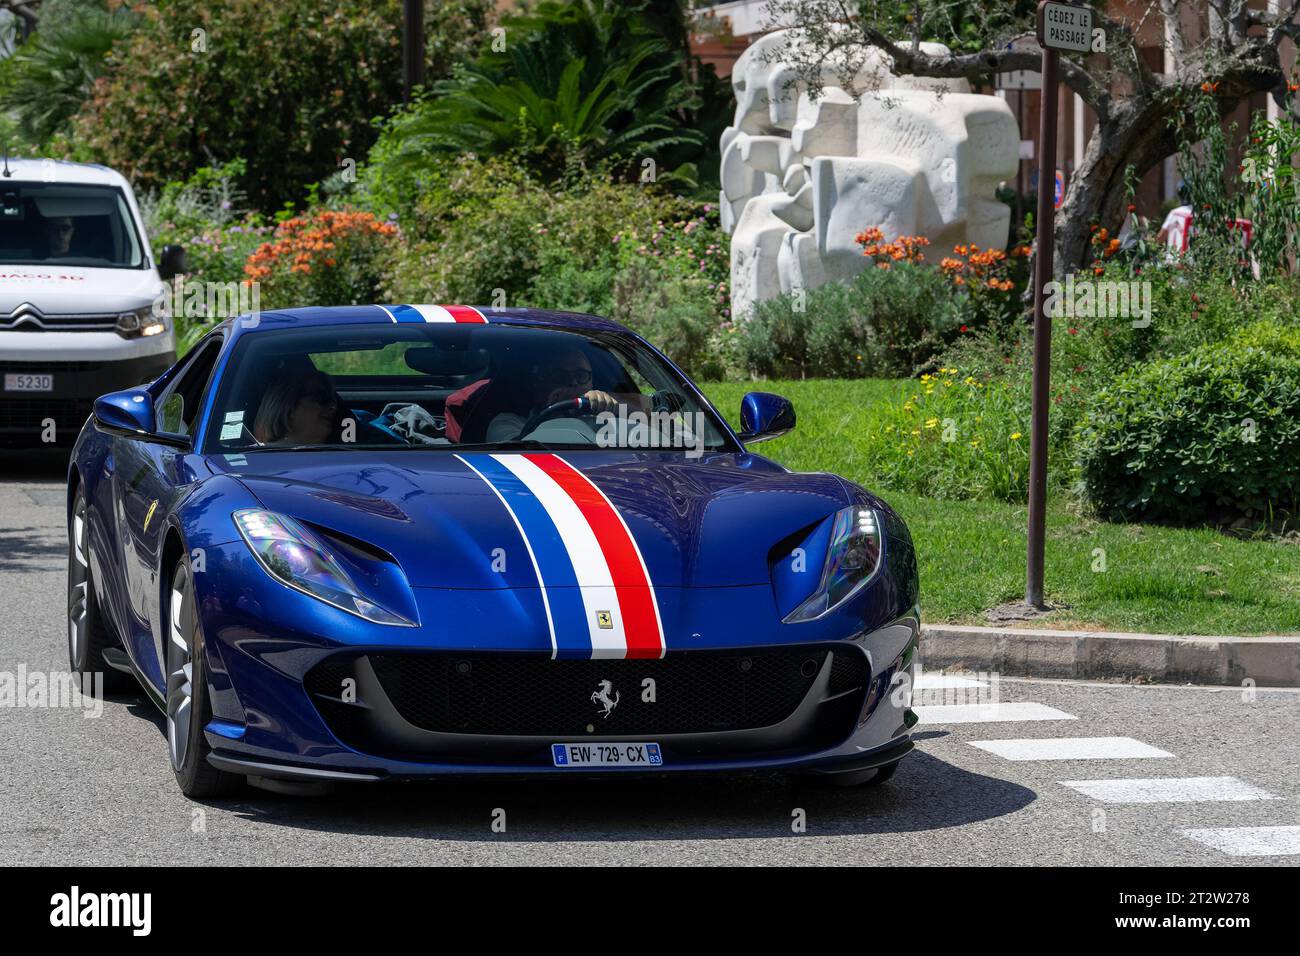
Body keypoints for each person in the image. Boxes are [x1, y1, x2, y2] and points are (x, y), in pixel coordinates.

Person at [252, 368, 340, 445]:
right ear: (288, 405)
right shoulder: (256, 457)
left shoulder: (342, 458)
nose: (333, 407)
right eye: (321, 398)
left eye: (333, 400)